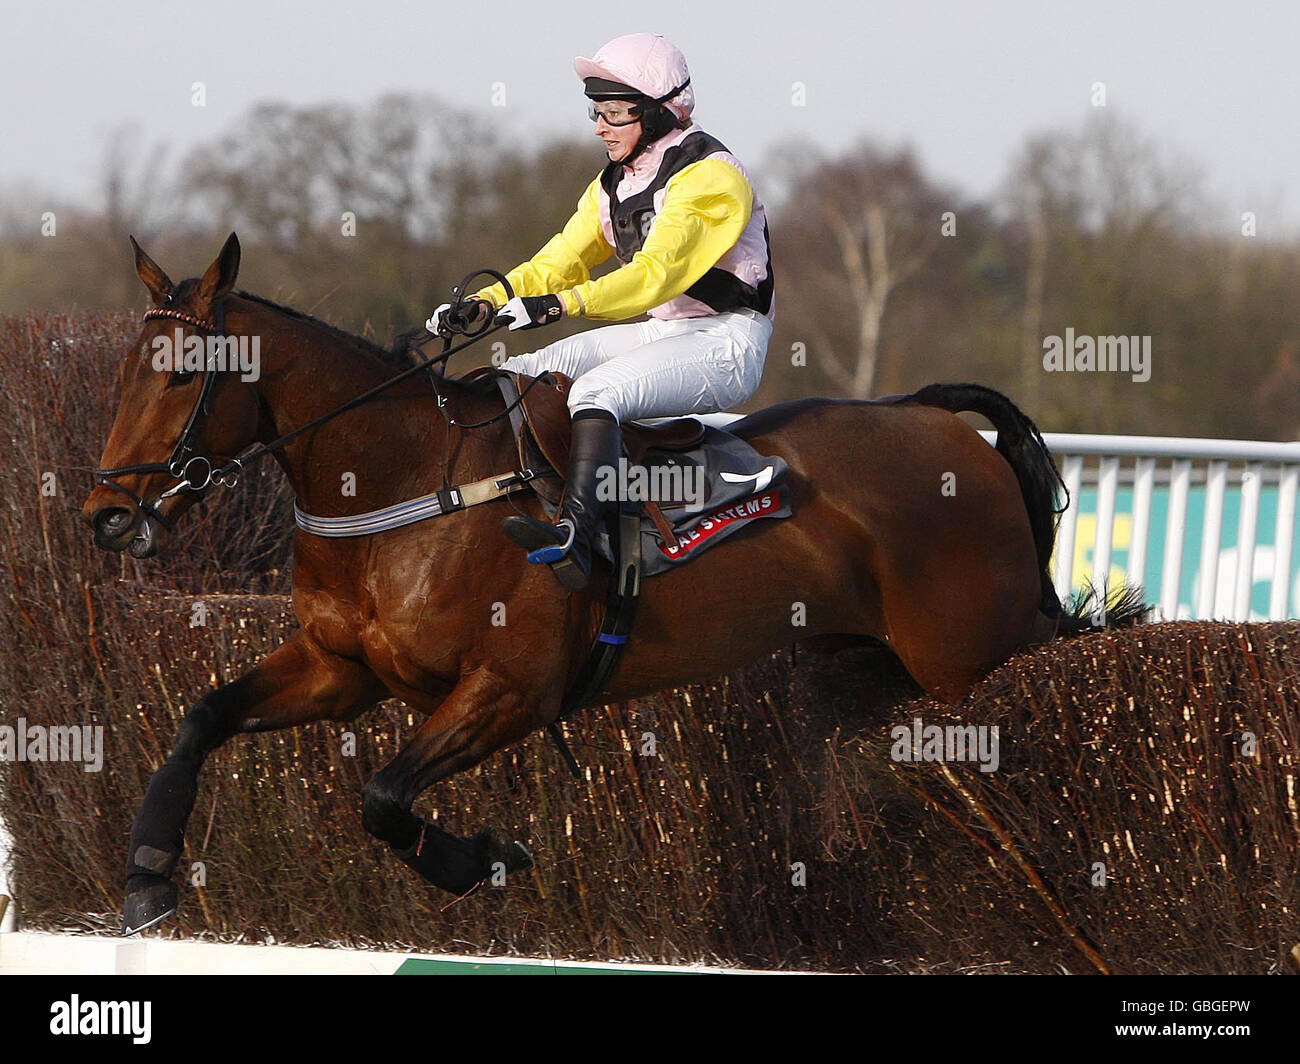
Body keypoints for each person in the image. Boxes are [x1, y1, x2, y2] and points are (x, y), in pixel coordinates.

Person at [427, 32, 775, 592]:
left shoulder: (712, 178)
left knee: (594, 393)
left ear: (661, 115)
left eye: (614, 113)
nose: (599, 126)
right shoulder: (612, 185)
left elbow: (653, 276)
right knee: (526, 375)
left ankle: (578, 539)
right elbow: (560, 260)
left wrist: (563, 304)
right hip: (666, 334)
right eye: (597, 111)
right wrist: (486, 301)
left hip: (726, 343)